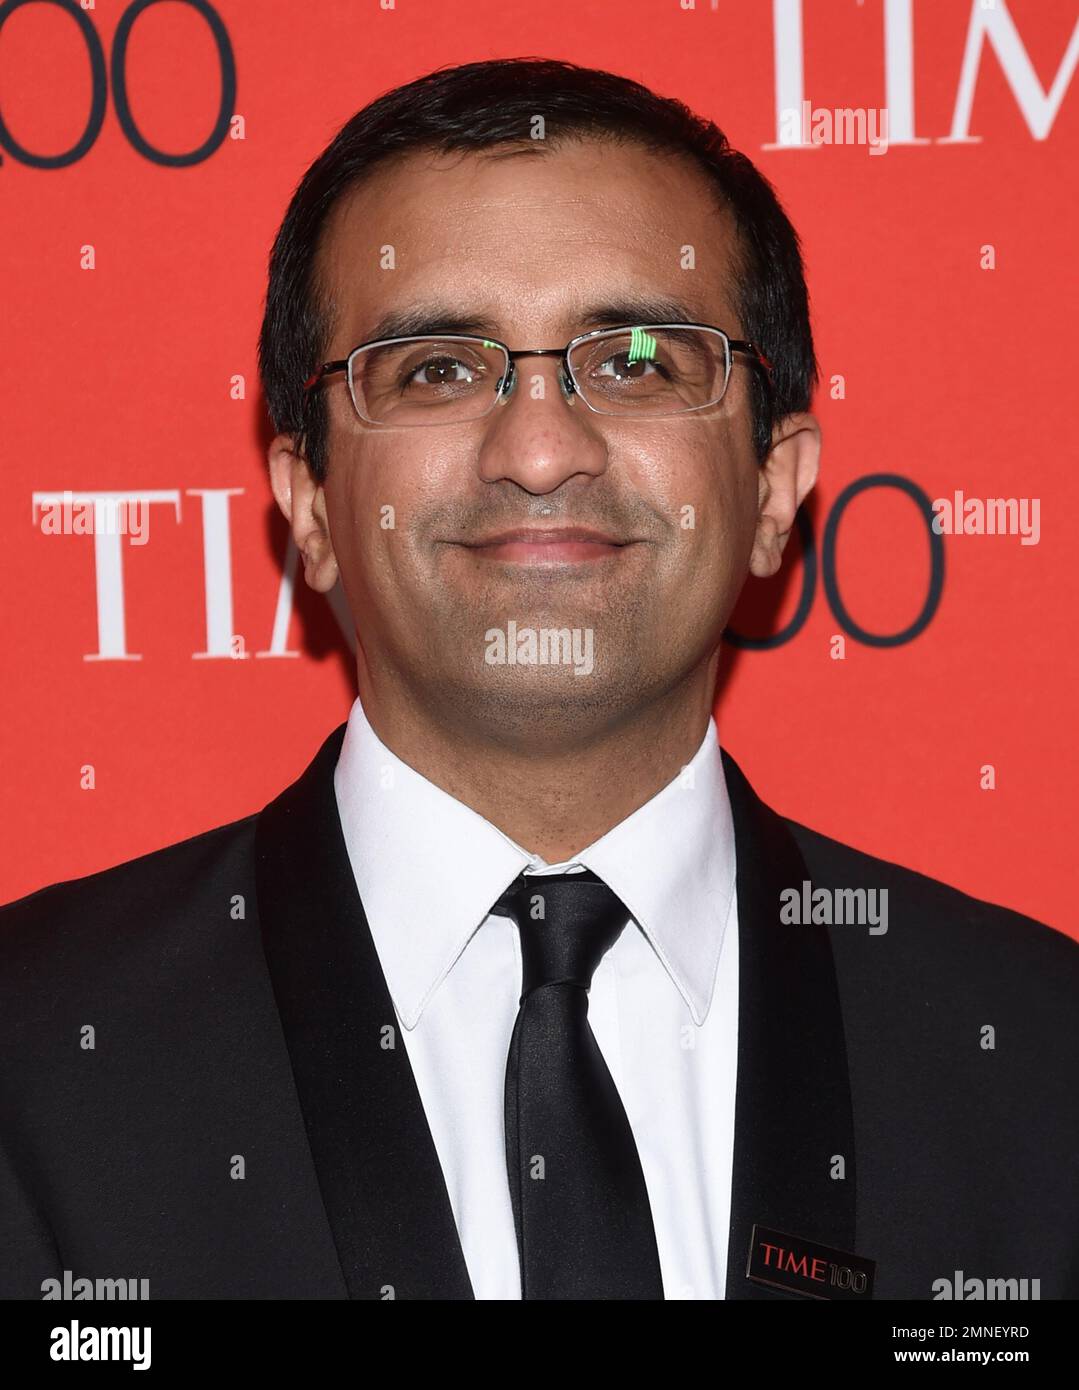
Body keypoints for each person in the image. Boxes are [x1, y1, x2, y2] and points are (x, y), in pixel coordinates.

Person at [1, 57, 1076, 1303]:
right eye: (438, 370)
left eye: (633, 359)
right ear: (308, 503)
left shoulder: (1035, 1063)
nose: (539, 449)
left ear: (776, 488)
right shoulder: (35, 1062)